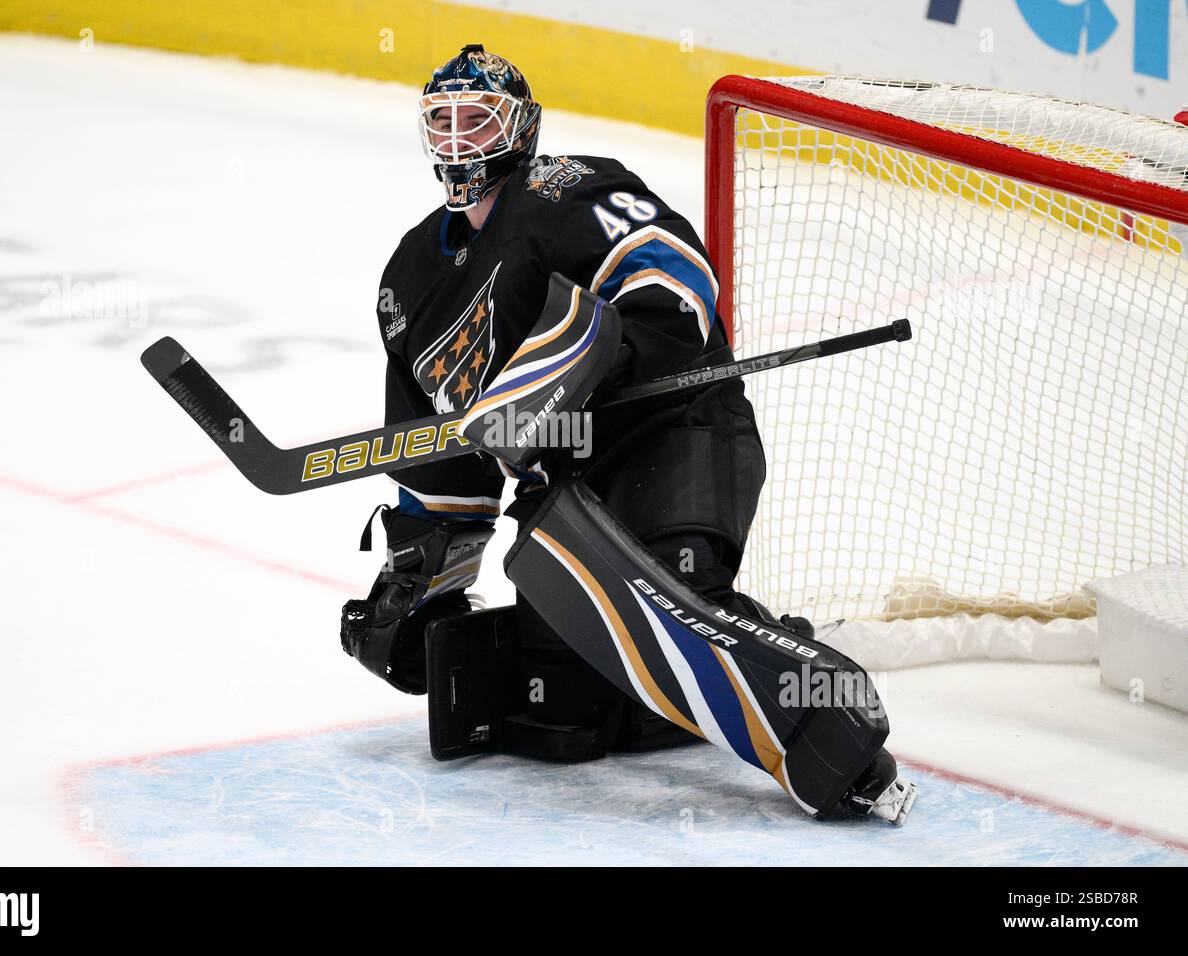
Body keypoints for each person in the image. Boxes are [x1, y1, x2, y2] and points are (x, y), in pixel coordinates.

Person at [339, 44, 915, 824]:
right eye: (442, 122)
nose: (459, 140)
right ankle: (765, 642)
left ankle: (832, 730)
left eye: (478, 120)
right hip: (565, 490)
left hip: (675, 431)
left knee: (669, 607)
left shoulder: (565, 189)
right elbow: (447, 465)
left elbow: (673, 277)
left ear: (523, 128)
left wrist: (590, 356)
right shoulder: (408, 280)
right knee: (569, 717)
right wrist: (418, 584)